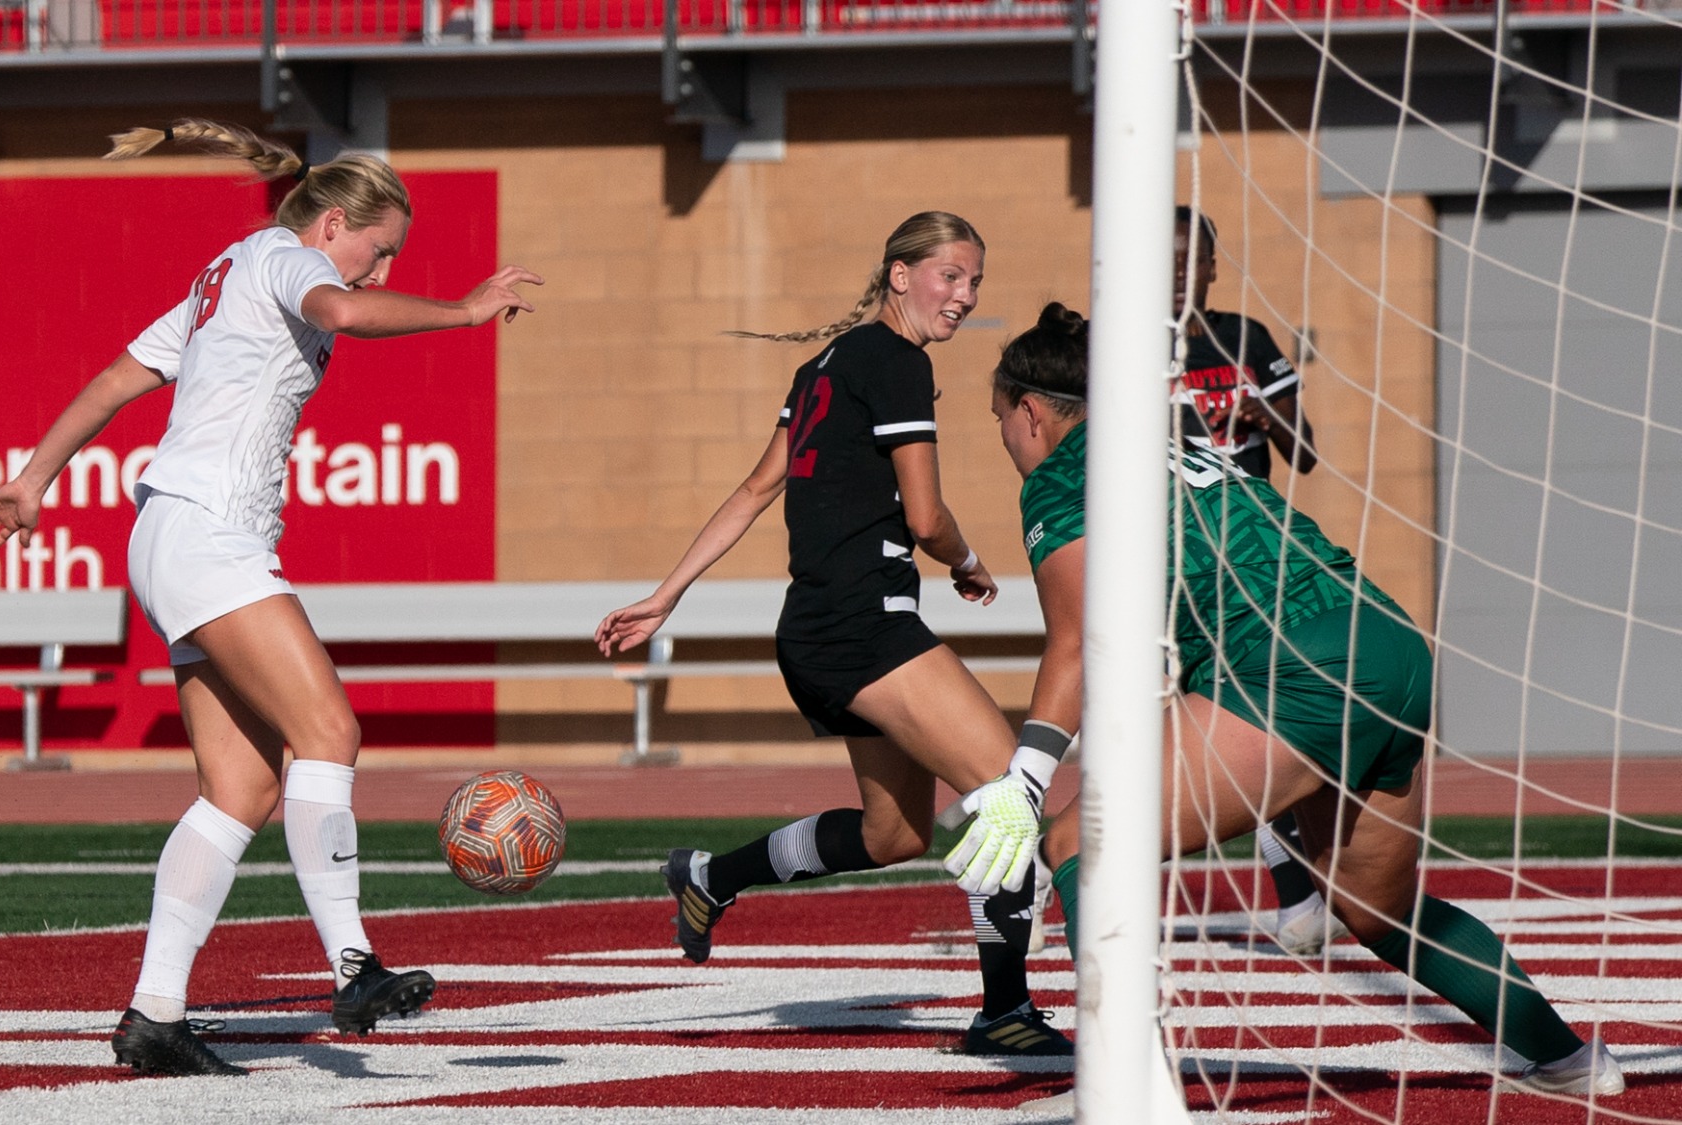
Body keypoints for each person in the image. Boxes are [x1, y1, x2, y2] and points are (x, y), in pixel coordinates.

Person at [0, 120, 541, 1078]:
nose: (376, 267)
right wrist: (462, 311)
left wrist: (33, 481)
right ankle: (353, 962)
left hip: (170, 534)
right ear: (330, 222)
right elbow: (345, 313)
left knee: (242, 789)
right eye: (377, 246)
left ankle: (154, 1010)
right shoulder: (282, 257)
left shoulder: (227, 268)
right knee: (331, 732)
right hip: (206, 531)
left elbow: (115, 382)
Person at [980, 302, 1624, 1096]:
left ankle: (1126, 1089)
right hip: (1389, 644)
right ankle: (1568, 1058)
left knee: (1083, 844)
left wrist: (1025, 778)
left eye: (1001, 418)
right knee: (1377, 911)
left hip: (1297, 666)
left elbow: (1076, 641)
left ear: (1032, 411)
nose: (1005, 436)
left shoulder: (1058, 478)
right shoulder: (1174, 447)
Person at [594, 212, 1069, 1058]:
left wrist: (667, 596)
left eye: (975, 283)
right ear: (898, 274)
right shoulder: (896, 363)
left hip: (820, 630)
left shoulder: (825, 363)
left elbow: (752, 488)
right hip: (862, 627)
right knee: (1009, 796)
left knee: (896, 836)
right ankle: (1004, 1009)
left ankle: (710, 876)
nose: (963, 296)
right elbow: (924, 516)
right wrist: (966, 558)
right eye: (949, 276)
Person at [1174, 205, 1339, 955]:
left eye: (1191, 257)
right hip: (1175, 557)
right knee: (1170, 721)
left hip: (1257, 554)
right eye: (1164, 256)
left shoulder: (1245, 338)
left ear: (1213, 265)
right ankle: (1050, 869)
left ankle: (1300, 892)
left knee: (1259, 712)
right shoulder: (1114, 347)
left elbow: (1304, 451)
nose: (1178, 269)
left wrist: (1261, 414)